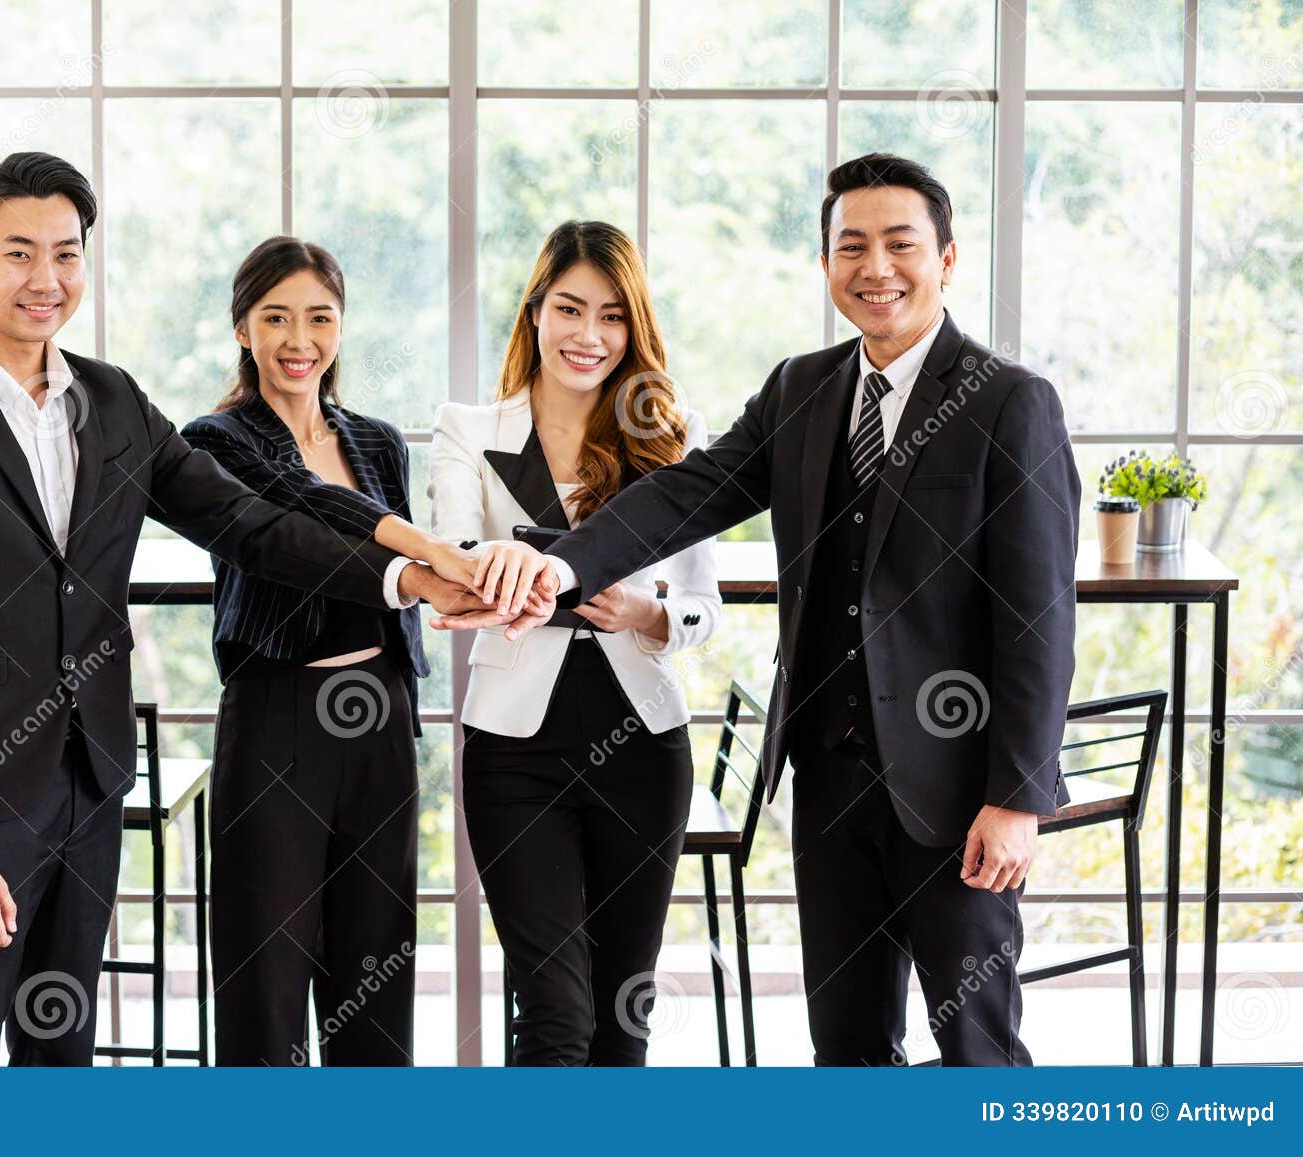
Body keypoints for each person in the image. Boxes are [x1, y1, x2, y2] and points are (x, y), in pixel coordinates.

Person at [0, 152, 479, 1066]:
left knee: (62, 1051)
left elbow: (251, 524)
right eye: (19, 253)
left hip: (92, 785)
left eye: (67, 253)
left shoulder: (114, 399)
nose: (47, 279)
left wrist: (405, 578)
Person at [439, 155, 1081, 1066]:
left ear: (948, 258)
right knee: (846, 1047)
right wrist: (557, 567)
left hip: (954, 791)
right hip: (827, 784)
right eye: (850, 246)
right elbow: (685, 496)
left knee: (974, 1047)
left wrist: (1016, 797)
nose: (876, 267)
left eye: (901, 245)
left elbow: (1039, 619)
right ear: (825, 265)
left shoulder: (1010, 402)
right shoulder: (803, 389)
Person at [180, 237, 499, 1065]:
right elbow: (305, 517)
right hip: (277, 718)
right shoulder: (217, 442)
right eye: (275, 318)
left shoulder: (380, 442)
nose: (299, 339)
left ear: (342, 327)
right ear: (242, 329)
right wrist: (424, 564)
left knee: (376, 957)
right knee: (267, 971)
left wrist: (453, 578)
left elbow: (380, 570)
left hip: (380, 717)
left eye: (320, 317)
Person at [431, 221, 720, 1065]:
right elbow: (454, 554)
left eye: (611, 316)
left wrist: (645, 610)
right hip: (514, 755)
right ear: (533, 314)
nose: (588, 336)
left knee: (622, 1008)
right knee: (555, 1011)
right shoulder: (469, 429)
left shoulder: (671, 435)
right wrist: (501, 568)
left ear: (634, 328)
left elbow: (705, 606)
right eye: (568, 309)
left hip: (643, 746)